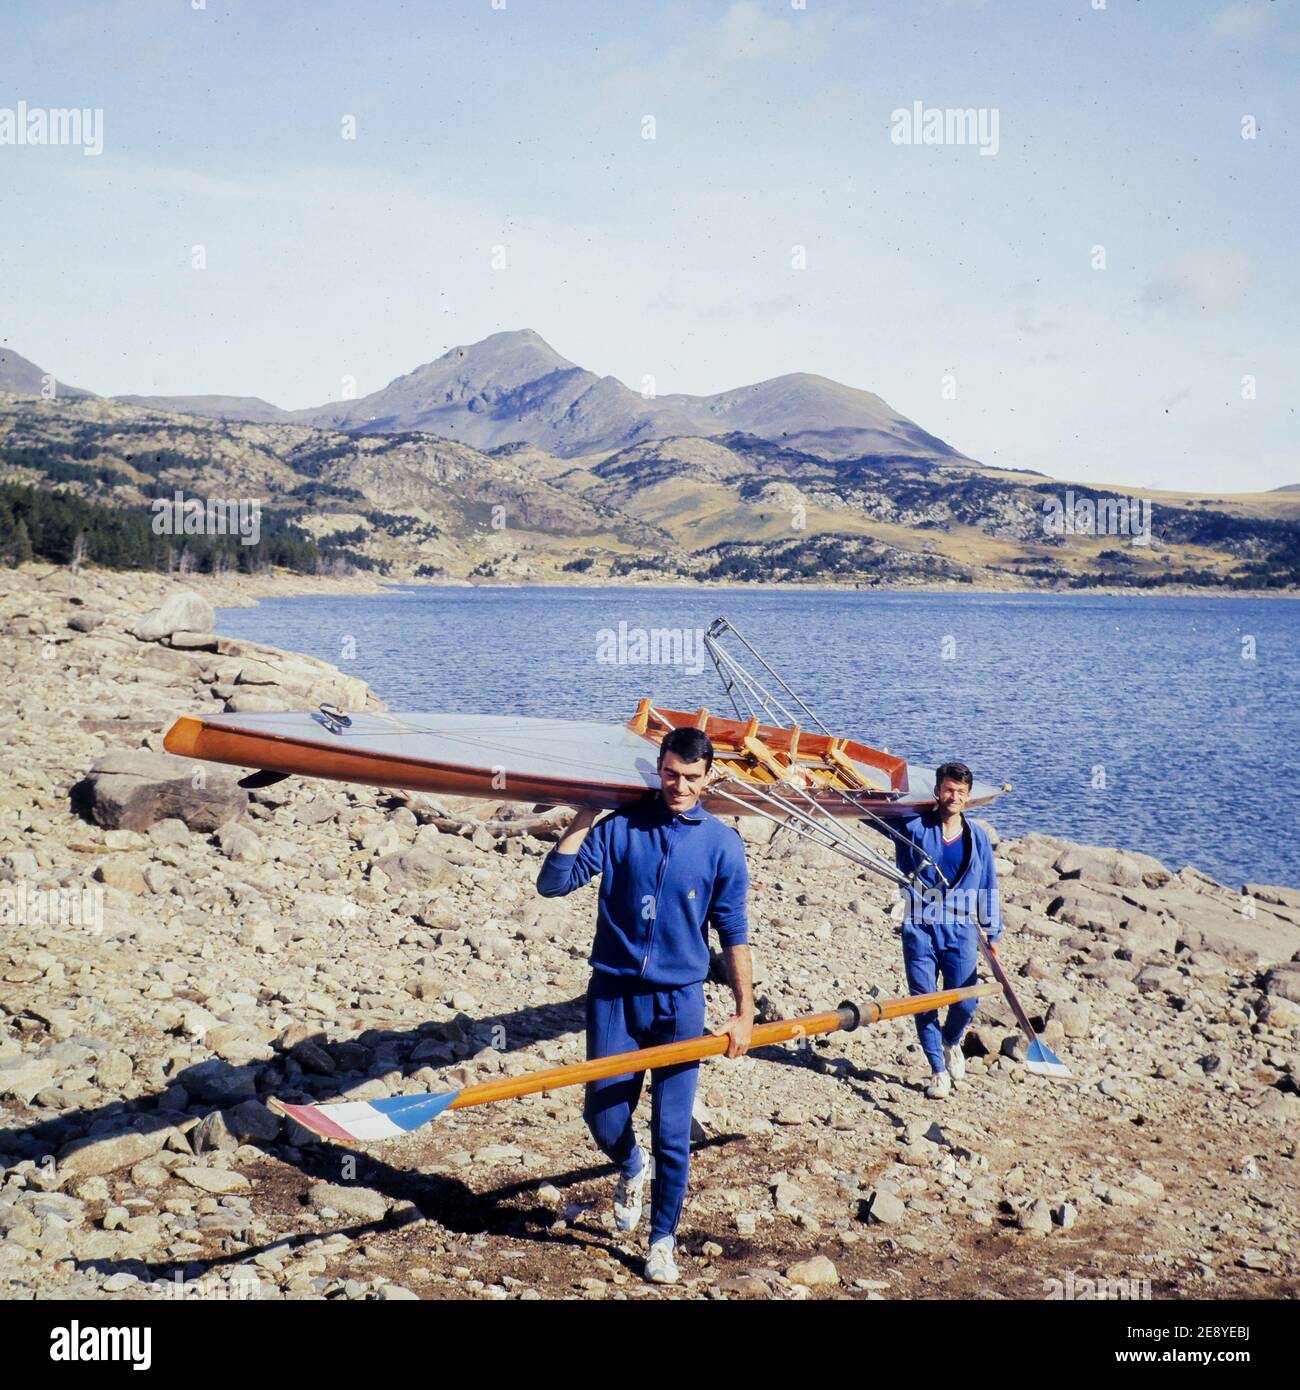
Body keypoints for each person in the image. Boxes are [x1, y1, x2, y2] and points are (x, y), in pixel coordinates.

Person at [536, 726, 754, 1284]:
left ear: (709, 778)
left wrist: (744, 1011)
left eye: (691, 778)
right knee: (603, 1118)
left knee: (673, 1132)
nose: (679, 786)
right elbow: (552, 884)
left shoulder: (722, 843)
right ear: (658, 771)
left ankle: (662, 1240)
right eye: (670, 775)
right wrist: (584, 817)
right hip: (613, 992)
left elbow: (733, 932)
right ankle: (631, 1166)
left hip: (679, 1000)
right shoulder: (621, 829)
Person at [890, 761, 1002, 1099]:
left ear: (968, 797)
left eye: (961, 792)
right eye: (949, 790)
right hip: (919, 926)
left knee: (966, 1001)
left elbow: (988, 885)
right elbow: (872, 814)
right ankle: (937, 1071)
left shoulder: (977, 837)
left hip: (961, 928)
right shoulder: (914, 826)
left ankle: (951, 1041)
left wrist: (993, 933)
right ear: (938, 791)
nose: (954, 796)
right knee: (924, 1002)